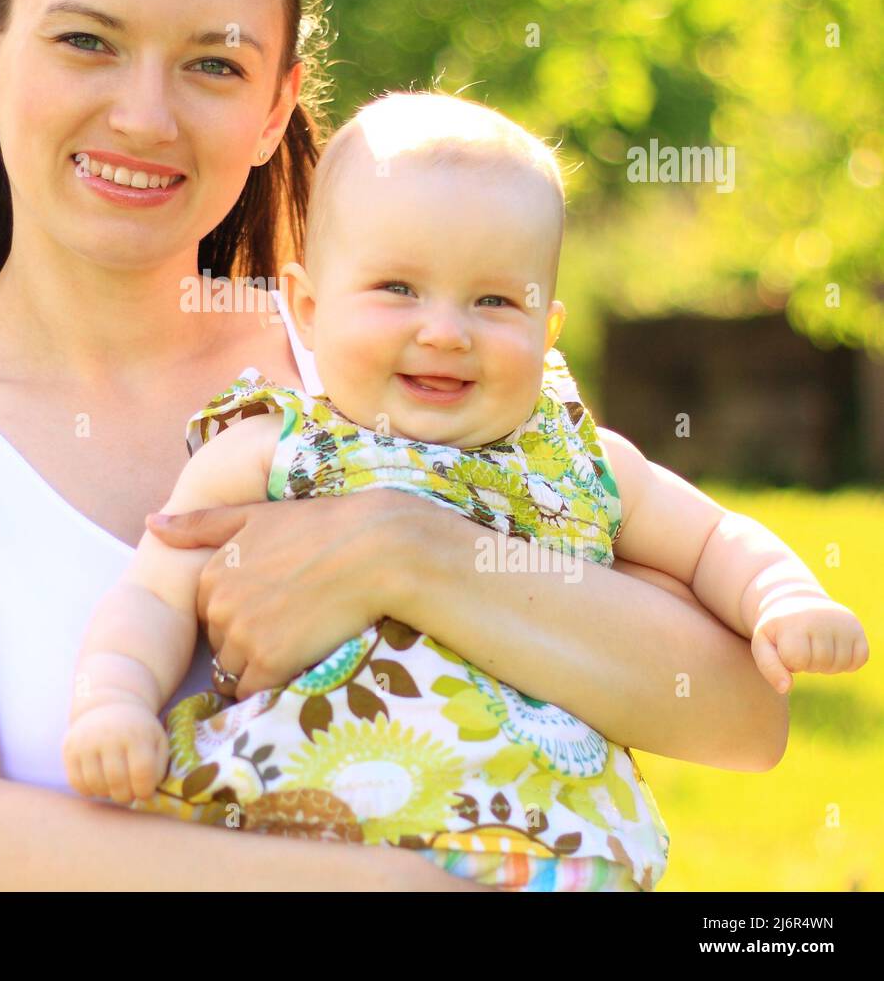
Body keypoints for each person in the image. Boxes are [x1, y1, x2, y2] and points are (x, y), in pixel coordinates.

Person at [0, 0, 789, 891]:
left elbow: (740, 715)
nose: (144, 114)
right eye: (87, 41)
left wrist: (401, 546)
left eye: (212, 62)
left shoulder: (399, 357)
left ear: (276, 104)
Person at [63, 92, 868, 891]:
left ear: (546, 330)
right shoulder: (274, 450)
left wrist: (784, 599)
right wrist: (114, 703)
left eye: (493, 301)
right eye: (398, 290)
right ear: (307, 310)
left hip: (559, 854)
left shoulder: (582, 461)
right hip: (315, 839)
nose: (445, 331)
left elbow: (715, 538)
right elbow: (156, 595)